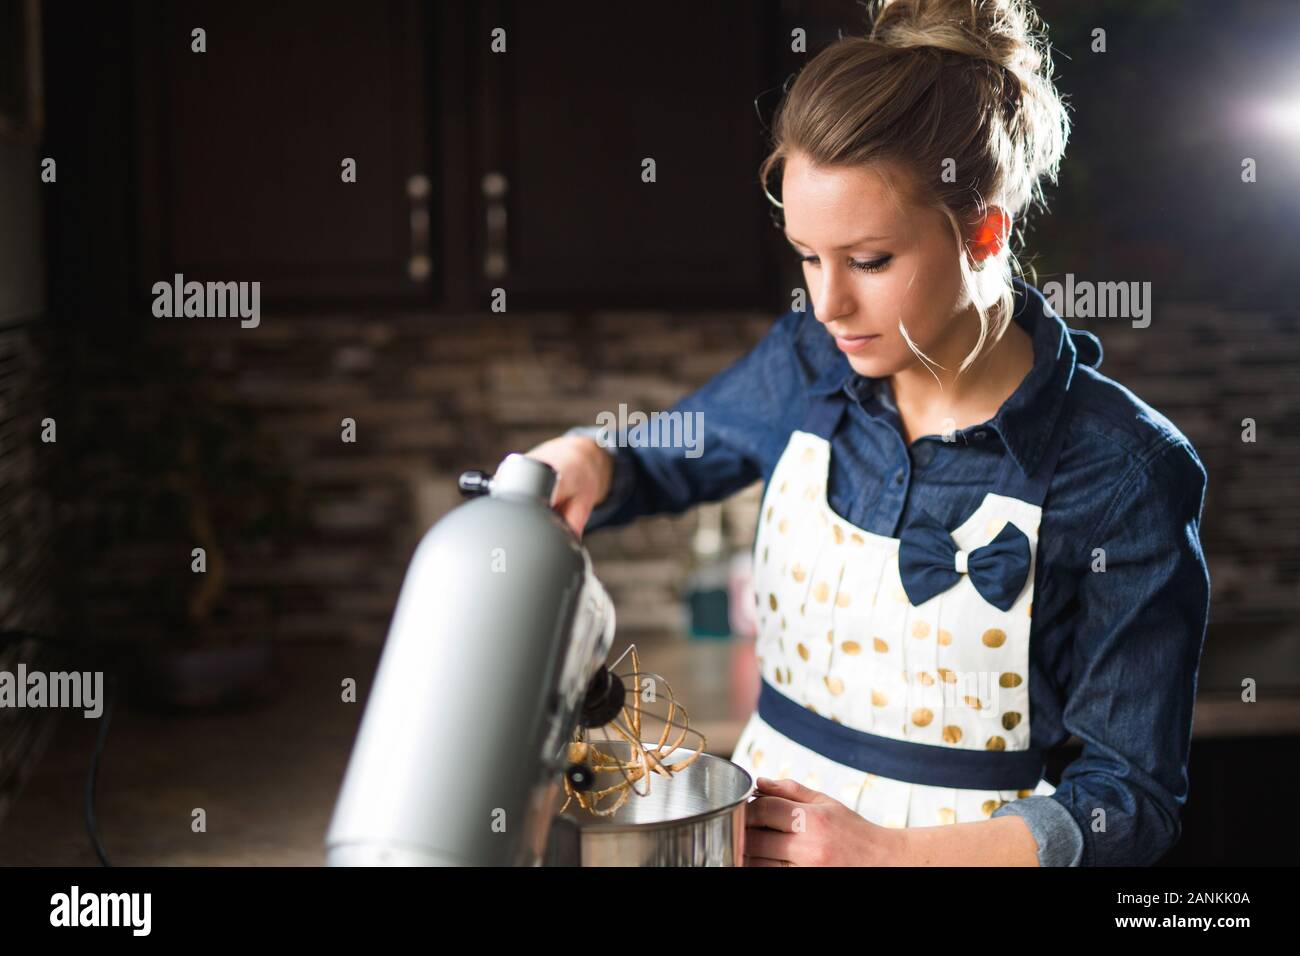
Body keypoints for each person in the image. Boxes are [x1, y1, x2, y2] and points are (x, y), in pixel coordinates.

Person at [525, 0, 1209, 867]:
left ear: (983, 231)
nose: (828, 303)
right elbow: (658, 461)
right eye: (809, 256)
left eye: (869, 261)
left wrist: (885, 854)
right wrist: (593, 458)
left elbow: (1128, 806)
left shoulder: (1126, 471)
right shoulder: (810, 363)